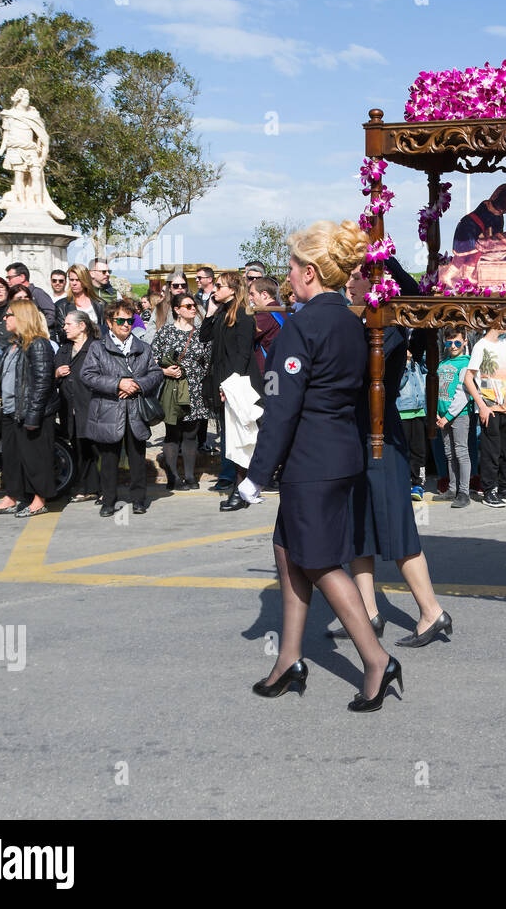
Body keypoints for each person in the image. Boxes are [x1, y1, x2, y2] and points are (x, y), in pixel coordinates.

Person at [236, 220, 402, 711]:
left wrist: (255, 475)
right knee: (288, 552)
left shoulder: (303, 326)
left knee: (318, 561)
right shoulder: (352, 320)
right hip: (338, 453)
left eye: (290, 267)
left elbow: (282, 408)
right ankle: (289, 659)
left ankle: (375, 659)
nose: (286, 277)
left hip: (312, 460)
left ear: (309, 272)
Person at [338, 257, 455, 650]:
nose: (349, 283)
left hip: (382, 438)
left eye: (356, 276)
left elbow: (418, 298)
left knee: (398, 526)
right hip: (355, 435)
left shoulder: (388, 327)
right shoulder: (358, 319)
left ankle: (431, 612)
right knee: (357, 527)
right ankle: (368, 612)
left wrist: (388, 260)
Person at [80, 299, 162, 516]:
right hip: (108, 409)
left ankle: (138, 500)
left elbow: (155, 373)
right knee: (108, 460)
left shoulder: (143, 348)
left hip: (135, 410)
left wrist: (136, 385)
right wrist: (117, 384)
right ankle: (108, 501)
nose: (126, 324)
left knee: (137, 458)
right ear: (109, 322)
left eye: (130, 320)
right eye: (120, 321)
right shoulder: (97, 347)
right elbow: (87, 375)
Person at [0, 300, 58, 518]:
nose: (4, 319)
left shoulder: (38, 344)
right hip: (11, 411)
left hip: (30, 413)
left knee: (35, 459)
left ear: (22, 317)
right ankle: (11, 497)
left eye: (9, 315)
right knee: (12, 458)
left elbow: (43, 383)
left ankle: (39, 500)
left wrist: (33, 416)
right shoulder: (14, 345)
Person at [201, 271, 261, 505]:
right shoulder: (223, 313)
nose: (215, 289)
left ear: (233, 289)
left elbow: (243, 353)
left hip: (238, 383)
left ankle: (241, 489)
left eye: (219, 286)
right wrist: (209, 312)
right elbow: (203, 337)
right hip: (223, 381)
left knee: (241, 437)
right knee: (231, 436)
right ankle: (240, 488)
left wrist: (230, 385)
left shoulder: (244, 315)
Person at [150, 293, 211, 490]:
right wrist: (165, 370)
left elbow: (208, 360)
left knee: (191, 434)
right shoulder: (165, 332)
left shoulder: (202, 333)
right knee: (173, 433)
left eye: (194, 305)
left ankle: (191, 476)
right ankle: (174, 477)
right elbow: (151, 361)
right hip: (173, 388)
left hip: (195, 388)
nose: (193, 309)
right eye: (188, 306)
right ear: (177, 310)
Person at [465, 320, 506, 508]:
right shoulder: (480, 346)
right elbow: (468, 378)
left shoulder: (504, 345)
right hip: (489, 409)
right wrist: (482, 406)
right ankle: (489, 491)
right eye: (505, 321)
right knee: (492, 452)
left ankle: (504, 489)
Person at [53, 309, 101, 502]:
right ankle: (86, 487)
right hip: (70, 409)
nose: (64, 328)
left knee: (98, 450)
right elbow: (51, 376)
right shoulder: (64, 348)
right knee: (80, 450)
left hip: (92, 406)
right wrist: (56, 373)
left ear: (82, 326)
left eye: (68, 324)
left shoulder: (97, 347)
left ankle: (104, 488)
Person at [436, 327, 474, 509]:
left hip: (459, 415)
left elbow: (463, 394)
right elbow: (436, 390)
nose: (453, 346)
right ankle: (452, 488)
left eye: (457, 342)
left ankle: (464, 492)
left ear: (465, 342)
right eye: (449, 342)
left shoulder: (466, 364)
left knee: (461, 452)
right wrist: (437, 413)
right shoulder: (442, 364)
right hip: (442, 416)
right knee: (449, 453)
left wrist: (448, 415)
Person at [396, 348, 428, 500]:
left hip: (419, 411)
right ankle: (401, 482)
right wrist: (406, 363)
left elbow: (428, 370)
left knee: (419, 451)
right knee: (402, 450)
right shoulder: (400, 364)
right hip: (403, 411)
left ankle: (418, 484)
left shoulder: (418, 363)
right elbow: (399, 383)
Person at [451, 184, 506, 253]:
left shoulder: (499, 217)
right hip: (469, 231)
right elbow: (480, 223)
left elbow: (498, 234)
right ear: (501, 196)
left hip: (485, 241)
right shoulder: (486, 206)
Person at [3, 262, 58, 335]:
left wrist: (35, 329)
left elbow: (51, 316)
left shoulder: (38, 293)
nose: (7, 281)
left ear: (22, 277)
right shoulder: (10, 296)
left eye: (9, 278)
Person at [54, 264, 106, 332]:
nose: (74, 283)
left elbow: (106, 330)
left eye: (78, 280)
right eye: (71, 280)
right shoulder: (61, 305)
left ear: (85, 281)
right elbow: (61, 333)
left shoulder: (101, 304)